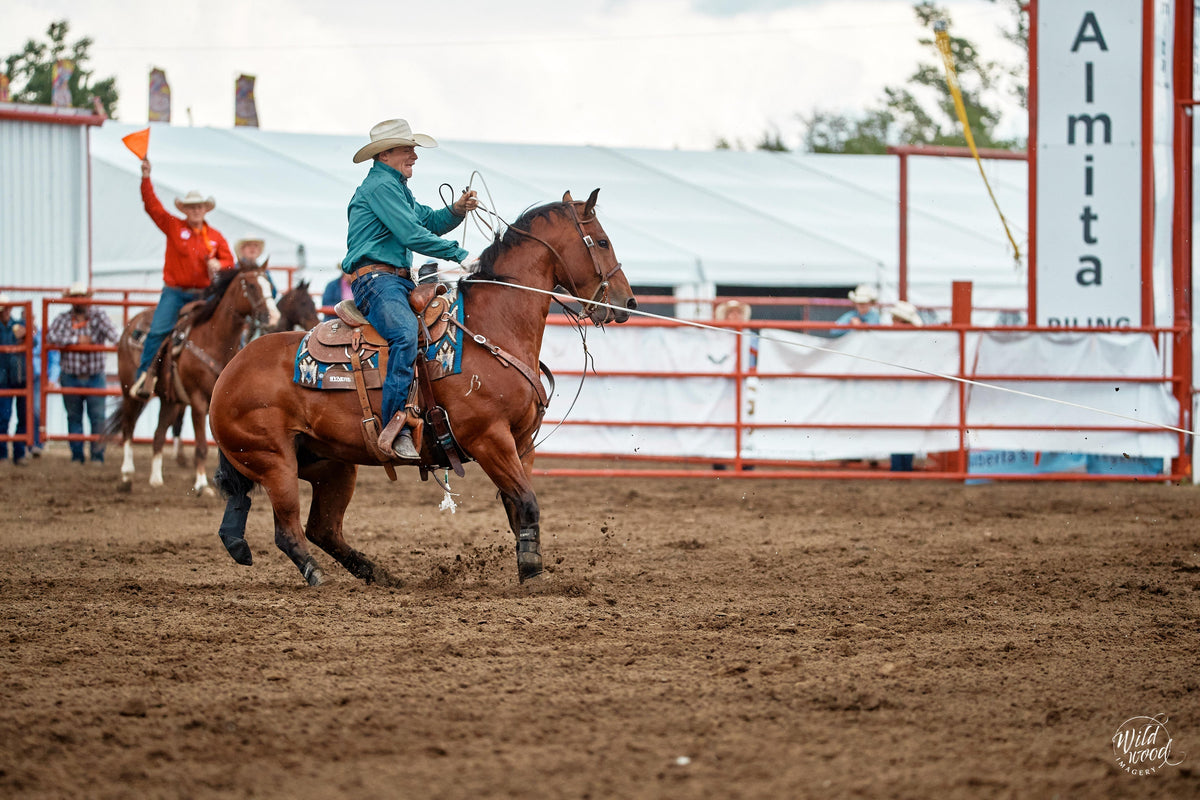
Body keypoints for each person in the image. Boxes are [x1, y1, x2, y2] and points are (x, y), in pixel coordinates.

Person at [342, 118, 478, 459]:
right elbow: (412, 234)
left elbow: (427, 221)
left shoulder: (394, 187)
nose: (414, 156)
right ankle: (395, 425)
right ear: (385, 154)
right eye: (407, 149)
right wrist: (461, 255)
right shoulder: (381, 187)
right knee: (404, 334)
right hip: (376, 281)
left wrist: (456, 210)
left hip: (395, 280)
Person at [129, 159, 234, 399]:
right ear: (185, 210)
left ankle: (228, 374)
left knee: (225, 327)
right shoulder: (174, 227)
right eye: (191, 207)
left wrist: (220, 264)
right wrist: (146, 178)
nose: (196, 210)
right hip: (175, 293)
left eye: (199, 207)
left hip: (204, 294)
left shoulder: (215, 236)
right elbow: (152, 207)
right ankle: (144, 375)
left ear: (205, 210)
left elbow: (230, 263)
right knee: (159, 330)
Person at [46, 282, 121, 464]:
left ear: (87, 299)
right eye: (76, 297)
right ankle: (77, 455)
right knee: (74, 417)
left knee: (97, 417)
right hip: (71, 375)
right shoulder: (63, 318)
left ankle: (97, 455)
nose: (79, 300)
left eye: (82, 296)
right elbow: (50, 337)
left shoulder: (98, 316)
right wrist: (76, 340)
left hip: (94, 375)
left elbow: (114, 336)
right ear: (71, 300)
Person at [888, 300, 924, 472]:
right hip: (901, 388)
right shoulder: (914, 340)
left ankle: (902, 466)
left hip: (906, 387)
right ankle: (900, 466)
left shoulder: (909, 340)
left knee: (905, 425)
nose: (894, 322)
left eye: (897, 319)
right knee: (899, 425)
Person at [0, 296, 29, 465]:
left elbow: (36, 340)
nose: (4, 312)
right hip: (4, 378)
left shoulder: (20, 325)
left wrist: (27, 335)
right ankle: (3, 454)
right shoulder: (18, 325)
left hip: (19, 377)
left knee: (23, 417)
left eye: (6, 308)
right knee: (3, 417)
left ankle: (19, 453)